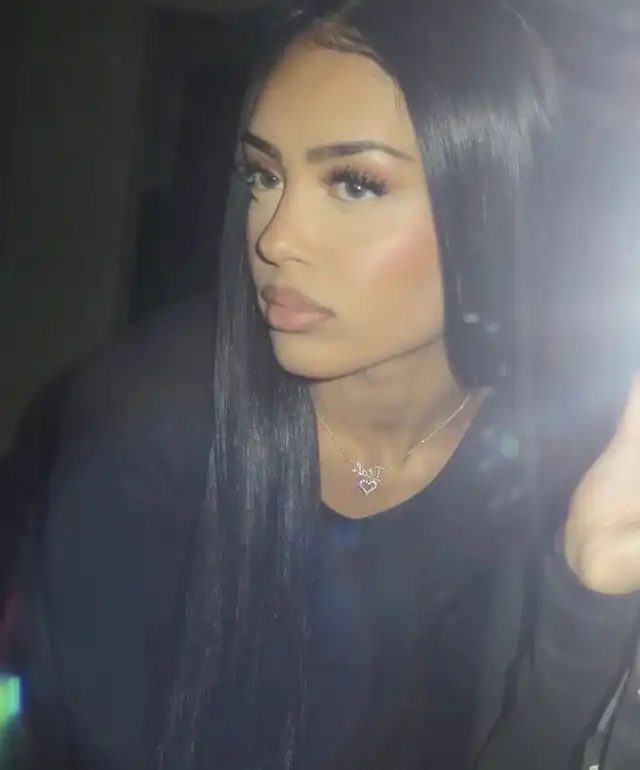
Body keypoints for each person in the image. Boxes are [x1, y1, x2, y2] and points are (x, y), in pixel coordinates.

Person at [8, 0, 640, 768]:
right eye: (263, 175)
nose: (275, 236)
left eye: (355, 184)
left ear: (499, 201)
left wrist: (589, 599)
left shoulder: (572, 456)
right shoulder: (142, 432)